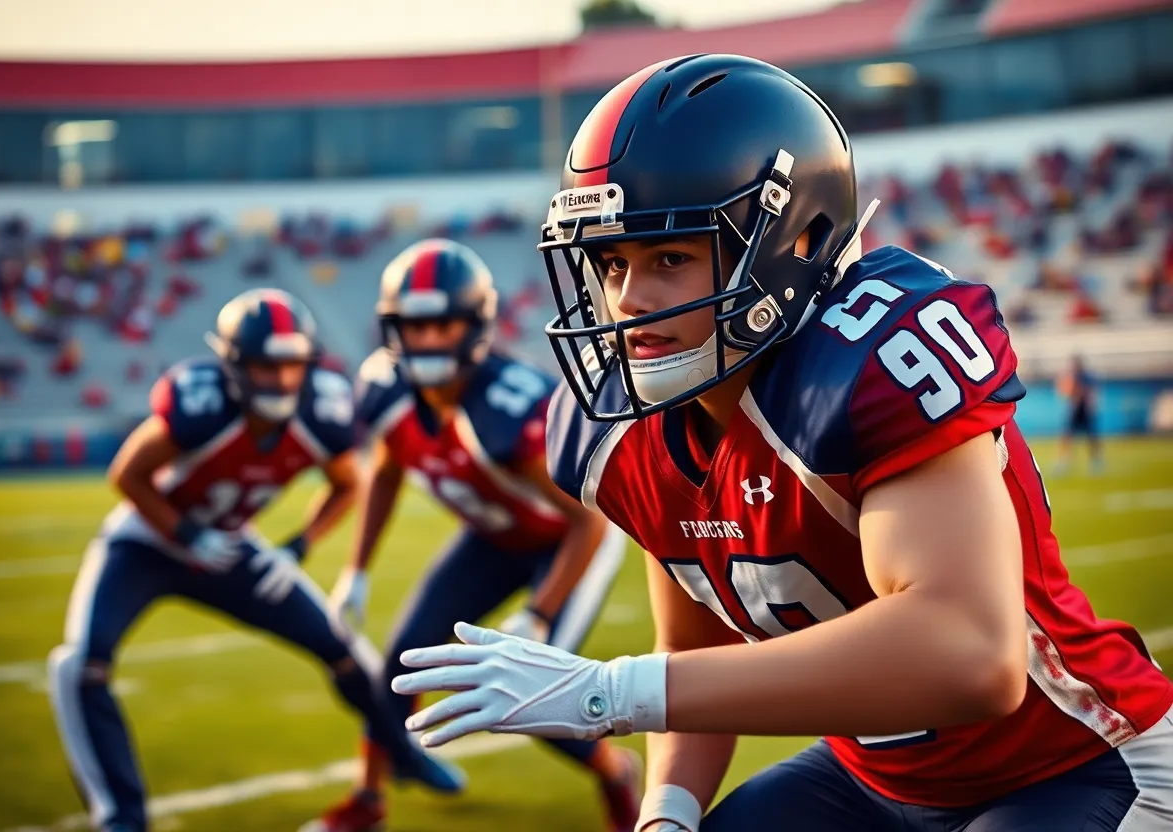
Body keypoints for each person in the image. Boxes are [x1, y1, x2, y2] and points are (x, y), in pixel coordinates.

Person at [389, 56, 1173, 831]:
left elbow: (969, 655)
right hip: (874, 782)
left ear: (795, 243)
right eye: (611, 262)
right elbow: (691, 654)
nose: (630, 298)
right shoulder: (622, 431)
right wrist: (666, 813)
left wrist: (606, 692)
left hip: (1074, 763)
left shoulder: (874, 362)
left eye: (670, 256)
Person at [47, 289, 463, 832]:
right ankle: (121, 816)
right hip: (146, 543)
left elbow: (346, 484)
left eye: (292, 365)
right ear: (235, 364)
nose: (282, 380)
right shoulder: (200, 404)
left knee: (344, 651)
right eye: (267, 365)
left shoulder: (321, 412)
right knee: (82, 665)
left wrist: (300, 543)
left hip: (230, 545)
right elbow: (127, 474)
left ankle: (402, 755)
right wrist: (184, 531)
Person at [303, 239, 640, 832]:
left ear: (474, 327)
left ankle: (617, 775)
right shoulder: (385, 390)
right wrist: (355, 568)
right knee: (399, 670)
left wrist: (538, 614)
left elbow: (588, 520)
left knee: (537, 698)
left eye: (443, 325)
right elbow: (383, 470)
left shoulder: (506, 411)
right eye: (415, 326)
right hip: (491, 538)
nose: (428, 340)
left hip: (566, 543)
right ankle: (370, 798)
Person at [1055, 354, 1104, 475]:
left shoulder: (1087, 376)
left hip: (1085, 409)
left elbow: (1091, 392)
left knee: (1092, 436)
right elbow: (1065, 392)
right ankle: (1065, 461)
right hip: (1075, 409)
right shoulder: (1071, 376)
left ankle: (1096, 461)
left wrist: (1091, 405)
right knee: (1068, 436)